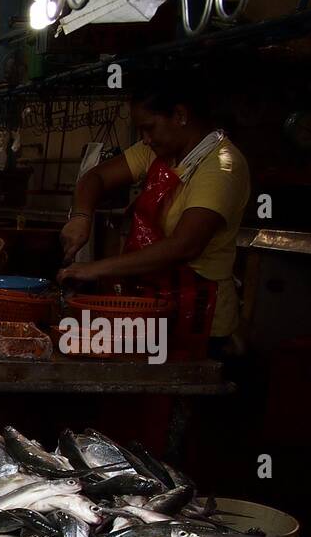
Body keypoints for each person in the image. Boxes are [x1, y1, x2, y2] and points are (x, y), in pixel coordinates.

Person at [58, 74, 250, 353]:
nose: (145, 140)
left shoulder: (221, 167)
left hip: (200, 319)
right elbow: (95, 178)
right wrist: (81, 217)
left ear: (180, 115)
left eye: (149, 128)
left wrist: (94, 269)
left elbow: (184, 246)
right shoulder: (159, 152)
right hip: (150, 306)